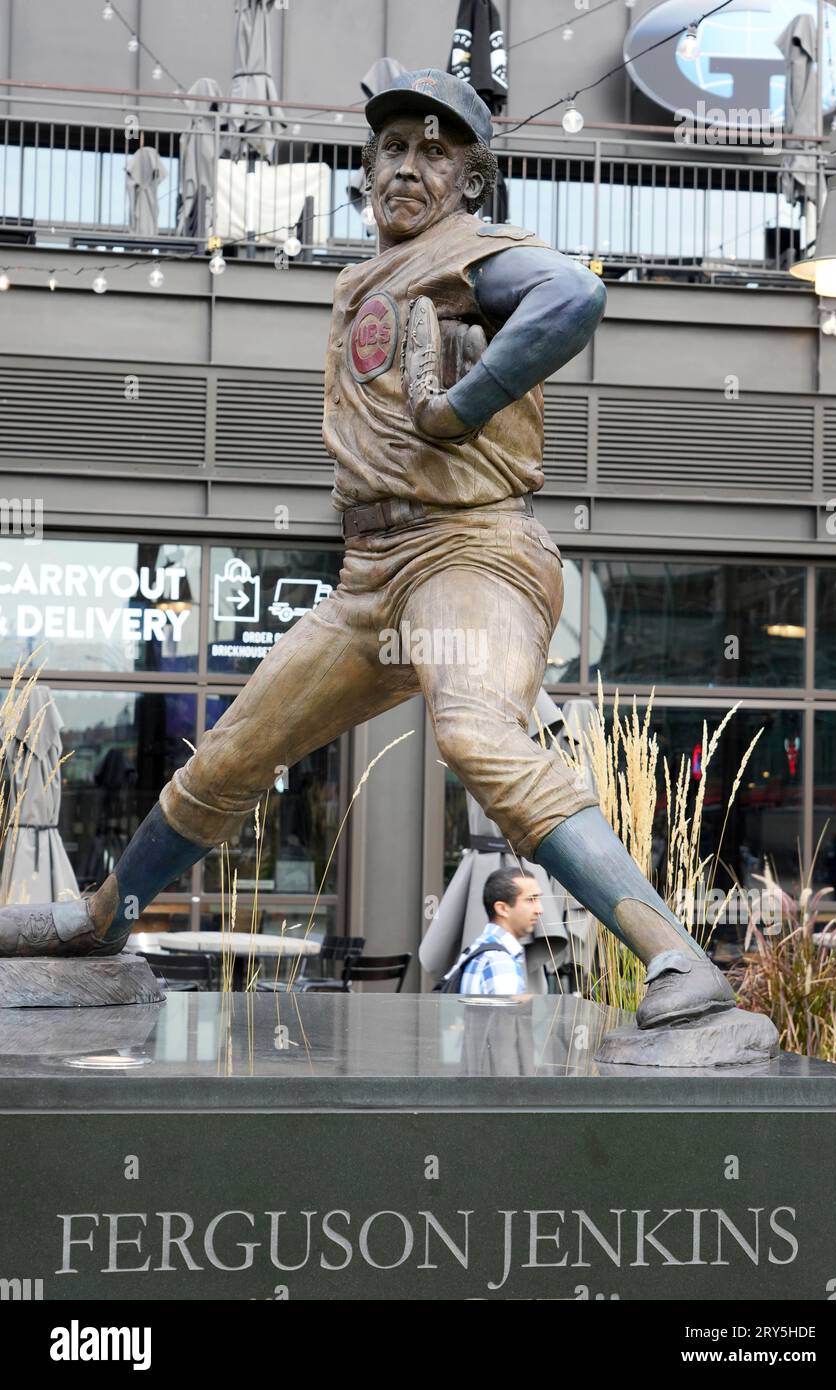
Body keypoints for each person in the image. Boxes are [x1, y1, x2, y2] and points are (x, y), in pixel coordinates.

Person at [0, 68, 739, 1036]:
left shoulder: (477, 251)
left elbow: (571, 296)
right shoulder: (362, 280)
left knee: (474, 733)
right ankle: (103, 923)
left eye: (433, 152)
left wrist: (457, 406)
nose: (405, 167)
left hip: (469, 551)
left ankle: (677, 960)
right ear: (364, 170)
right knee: (228, 757)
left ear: (469, 182)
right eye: (390, 149)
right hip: (369, 579)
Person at [453, 867, 541, 996]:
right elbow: (505, 1016)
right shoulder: (500, 961)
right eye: (530, 900)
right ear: (502, 909)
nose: (539, 909)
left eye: (539, 899)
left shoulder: (477, 950)